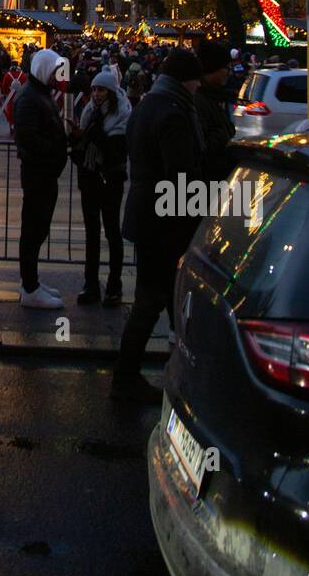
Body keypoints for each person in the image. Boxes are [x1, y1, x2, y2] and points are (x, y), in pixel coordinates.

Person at [112, 50, 204, 403]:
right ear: (186, 79)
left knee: (164, 300)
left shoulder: (150, 105)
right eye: (194, 78)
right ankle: (128, 375)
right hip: (165, 223)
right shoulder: (174, 113)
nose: (197, 84)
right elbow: (180, 176)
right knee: (154, 300)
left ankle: (176, 373)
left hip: (148, 216)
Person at [69, 68, 130, 307]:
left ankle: (114, 284)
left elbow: (116, 150)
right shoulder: (88, 112)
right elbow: (80, 152)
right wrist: (76, 139)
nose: (96, 94)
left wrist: (90, 136)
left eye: (101, 90)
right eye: (94, 89)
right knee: (91, 233)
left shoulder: (123, 115)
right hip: (90, 179)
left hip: (111, 180)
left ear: (111, 92)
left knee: (112, 232)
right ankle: (90, 283)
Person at [13, 48, 68, 309]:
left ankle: (32, 282)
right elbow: (26, 136)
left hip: (44, 172)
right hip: (38, 173)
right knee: (33, 229)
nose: (58, 74)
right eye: (55, 69)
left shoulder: (39, 93)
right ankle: (30, 286)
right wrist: (53, 149)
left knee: (38, 229)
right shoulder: (30, 97)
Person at [194, 40, 237, 180]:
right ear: (214, 68)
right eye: (226, 68)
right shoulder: (199, 100)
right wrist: (223, 134)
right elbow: (202, 147)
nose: (229, 72)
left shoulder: (213, 96)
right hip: (206, 182)